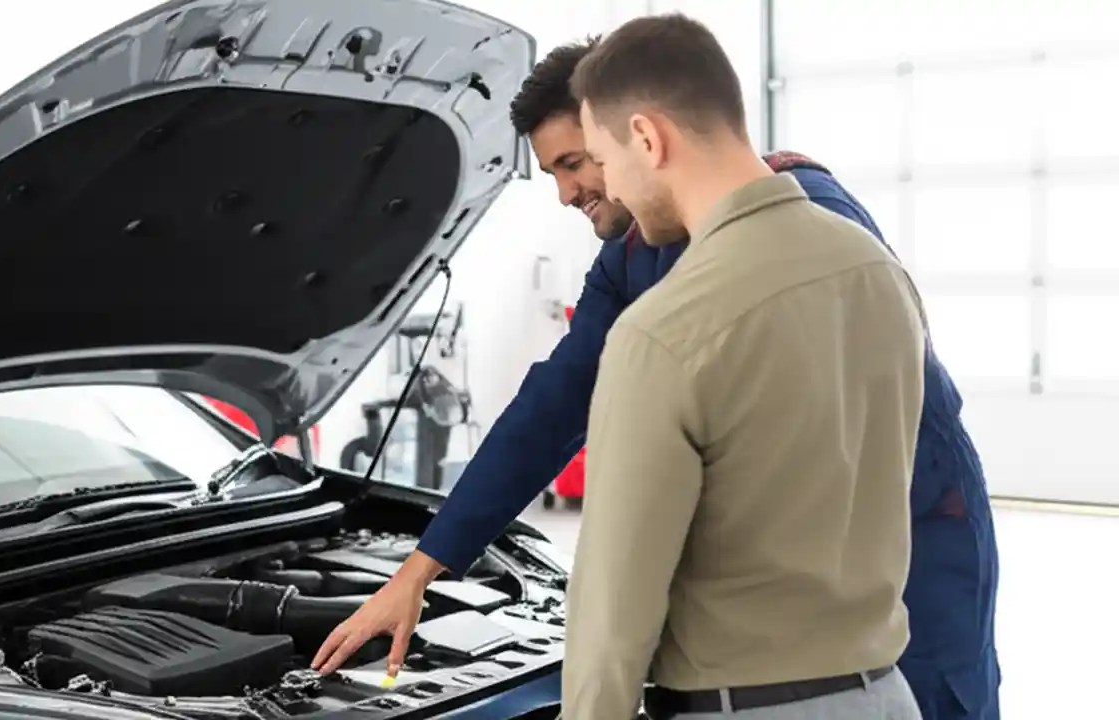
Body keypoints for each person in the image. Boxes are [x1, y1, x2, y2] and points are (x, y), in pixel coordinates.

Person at [312, 30, 999, 720]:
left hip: (919, 521)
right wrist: (424, 567)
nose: (570, 192)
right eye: (554, 172)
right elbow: (552, 405)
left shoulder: (815, 220)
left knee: (941, 695)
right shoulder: (636, 257)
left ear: (639, 134)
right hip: (807, 605)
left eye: (582, 160)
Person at [563, 13, 931, 718]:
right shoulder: (878, 272)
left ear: (647, 137)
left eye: (604, 162)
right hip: (887, 696)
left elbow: (614, 616)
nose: (610, 188)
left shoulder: (664, 332)